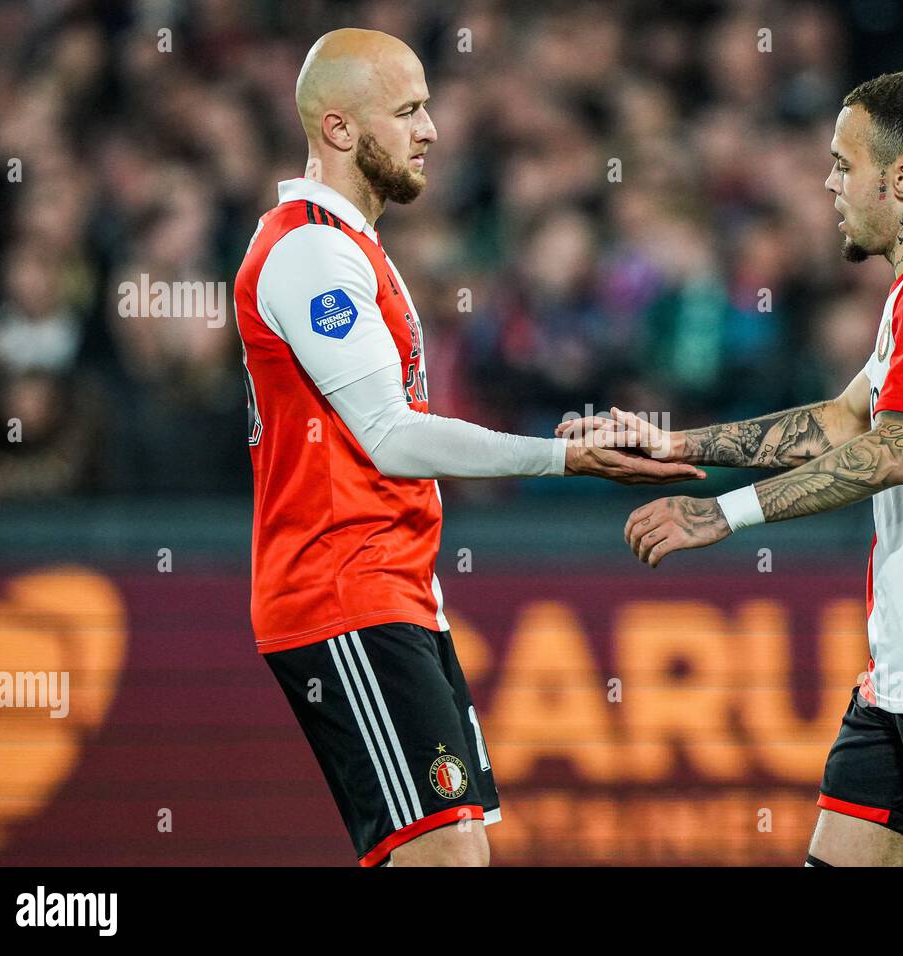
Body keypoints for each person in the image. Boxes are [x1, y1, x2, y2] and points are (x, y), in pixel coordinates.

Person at [561, 70, 903, 866]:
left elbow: (892, 452)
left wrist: (721, 514)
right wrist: (676, 446)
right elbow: (839, 421)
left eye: (844, 163)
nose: (829, 183)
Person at [233, 28, 703, 868]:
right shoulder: (308, 252)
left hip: (393, 590)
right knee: (444, 856)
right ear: (340, 129)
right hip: (341, 592)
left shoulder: (348, 246)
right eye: (408, 110)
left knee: (461, 851)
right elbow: (390, 436)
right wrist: (564, 459)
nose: (432, 130)